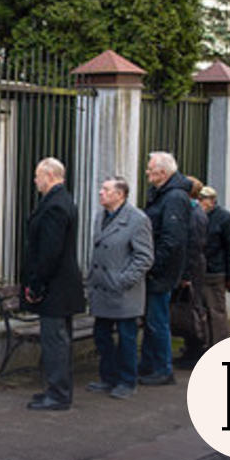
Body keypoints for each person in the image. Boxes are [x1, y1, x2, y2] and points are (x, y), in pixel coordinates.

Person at [23, 158, 85, 411]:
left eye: (38, 176)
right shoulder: (60, 200)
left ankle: (58, 394)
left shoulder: (56, 206)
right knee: (59, 340)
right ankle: (55, 389)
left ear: (49, 175)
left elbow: (50, 251)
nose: (35, 181)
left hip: (56, 288)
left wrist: (37, 284)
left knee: (55, 341)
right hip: (61, 285)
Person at [85, 176, 153, 399]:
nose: (100, 193)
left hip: (123, 293)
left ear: (119, 195)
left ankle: (127, 381)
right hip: (102, 290)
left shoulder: (137, 219)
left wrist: (123, 280)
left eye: (105, 189)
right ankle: (108, 377)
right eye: (101, 188)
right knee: (102, 335)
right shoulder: (100, 216)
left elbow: (144, 257)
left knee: (126, 338)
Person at [139, 151, 192, 386]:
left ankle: (162, 368)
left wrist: (154, 265)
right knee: (153, 318)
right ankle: (150, 365)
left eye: (150, 169)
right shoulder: (164, 195)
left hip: (162, 271)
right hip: (160, 269)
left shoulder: (174, 198)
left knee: (157, 319)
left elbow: (172, 239)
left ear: (162, 172)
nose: (148, 173)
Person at [172, 176, 209, 369]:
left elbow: (193, 246)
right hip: (193, 266)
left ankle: (196, 349)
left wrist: (185, 275)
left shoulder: (194, 214)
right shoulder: (195, 211)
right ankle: (192, 348)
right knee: (192, 306)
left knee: (192, 308)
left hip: (192, 268)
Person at [196, 185, 230, 354]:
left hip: (216, 271)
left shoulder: (225, 219)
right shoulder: (198, 217)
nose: (201, 203)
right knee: (201, 311)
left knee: (216, 311)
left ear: (212, 201)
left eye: (204, 199)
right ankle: (204, 344)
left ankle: (220, 346)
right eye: (199, 199)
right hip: (200, 270)